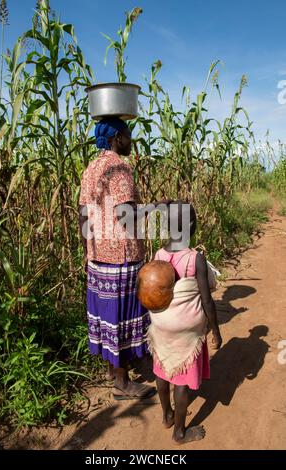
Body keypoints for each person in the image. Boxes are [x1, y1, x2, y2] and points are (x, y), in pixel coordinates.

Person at [79, 117, 160, 400]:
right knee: (122, 318)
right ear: (116, 138)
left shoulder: (91, 168)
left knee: (106, 316)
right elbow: (127, 214)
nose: (131, 140)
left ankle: (113, 370)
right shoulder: (119, 167)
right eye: (128, 134)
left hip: (98, 256)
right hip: (122, 256)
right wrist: (156, 207)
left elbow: (83, 215)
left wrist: (89, 250)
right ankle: (123, 384)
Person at [147, 201, 222, 444]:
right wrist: (216, 331)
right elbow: (207, 301)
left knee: (162, 370)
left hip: (160, 324)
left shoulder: (159, 255)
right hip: (185, 331)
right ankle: (179, 432)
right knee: (181, 381)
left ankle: (167, 415)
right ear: (191, 226)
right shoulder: (195, 259)